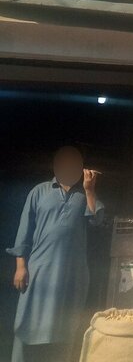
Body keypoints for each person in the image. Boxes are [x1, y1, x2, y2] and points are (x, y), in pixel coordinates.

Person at [8, 145, 104, 362]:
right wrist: (21, 266)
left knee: (66, 327)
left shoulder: (84, 195)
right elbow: (24, 230)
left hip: (72, 273)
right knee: (27, 322)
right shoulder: (39, 191)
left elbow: (97, 222)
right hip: (39, 270)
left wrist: (90, 189)